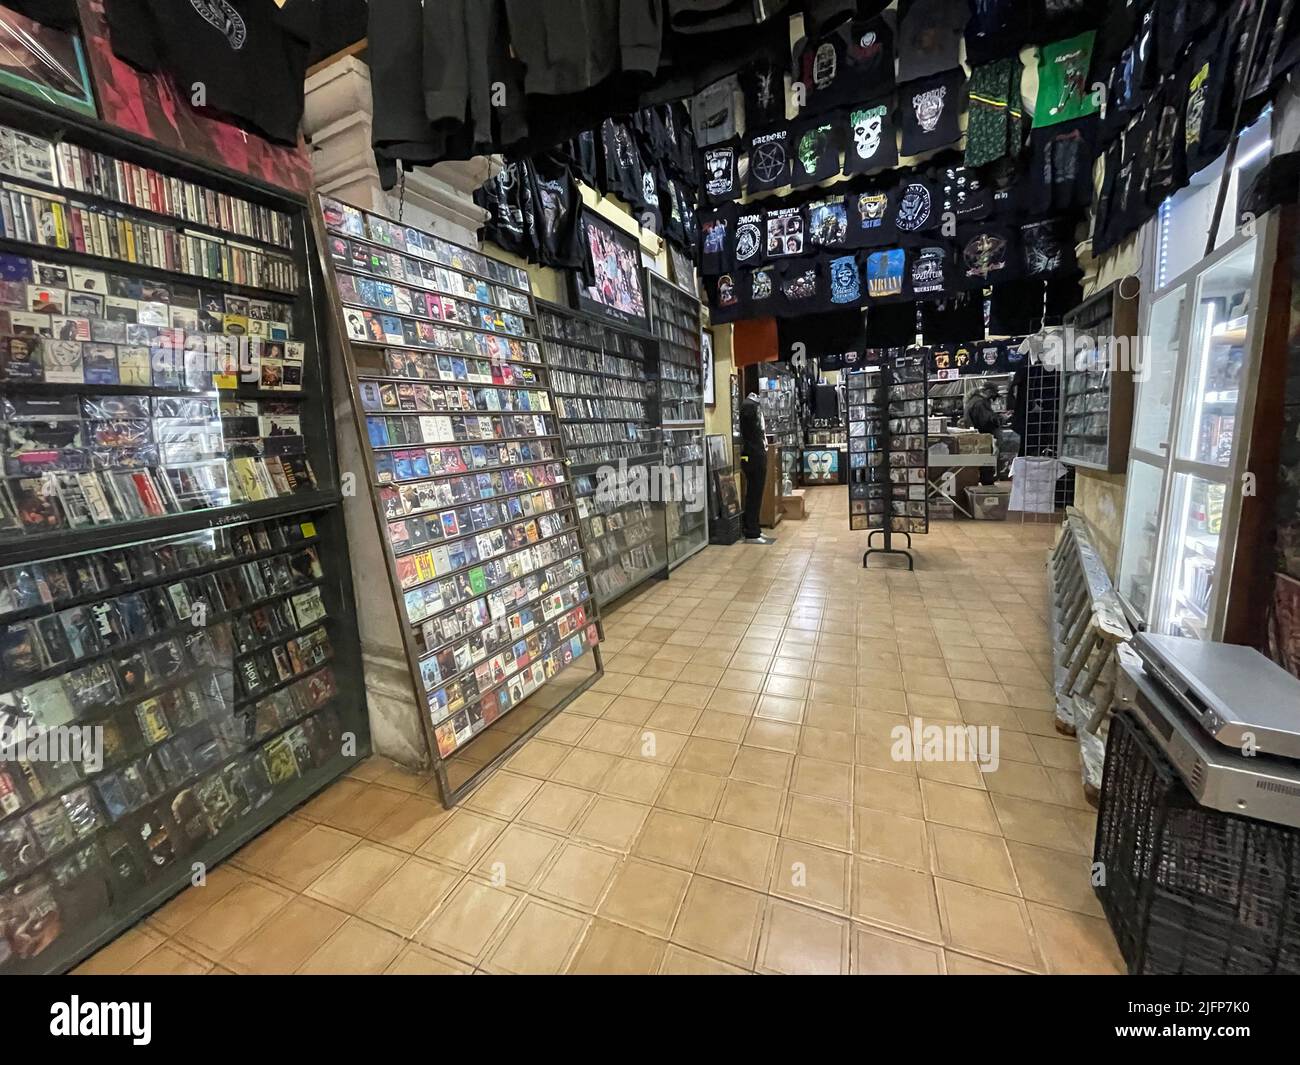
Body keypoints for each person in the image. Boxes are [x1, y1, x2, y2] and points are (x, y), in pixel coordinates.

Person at [739, 395, 773, 543]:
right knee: (754, 494)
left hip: (756, 454)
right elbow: (753, 433)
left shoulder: (751, 406)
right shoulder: (749, 407)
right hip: (753, 455)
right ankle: (752, 531)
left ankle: (755, 528)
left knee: (756, 494)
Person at [965, 383, 1002, 486]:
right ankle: (988, 488)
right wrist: (1000, 418)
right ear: (989, 392)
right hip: (984, 439)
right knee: (986, 468)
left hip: (977, 438)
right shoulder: (980, 403)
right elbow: (985, 422)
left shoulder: (972, 401)